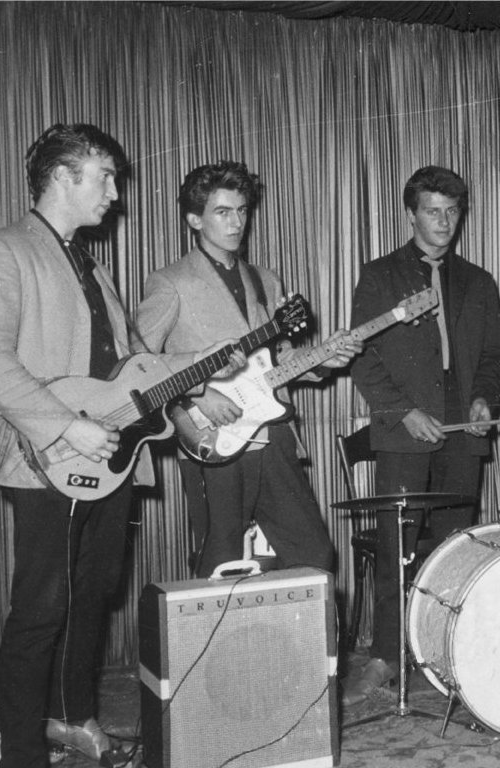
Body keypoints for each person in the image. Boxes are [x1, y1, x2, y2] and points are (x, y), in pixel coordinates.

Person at [0, 125, 242, 768]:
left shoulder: (93, 267)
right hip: (50, 459)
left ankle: (70, 714)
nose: (117, 194)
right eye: (105, 177)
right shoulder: (1, 250)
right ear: (62, 176)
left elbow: (136, 367)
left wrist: (206, 372)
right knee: (39, 609)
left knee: (92, 596)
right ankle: (20, 766)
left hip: (113, 462)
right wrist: (65, 423)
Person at [134, 161, 360, 578]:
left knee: (314, 554)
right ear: (194, 218)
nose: (237, 222)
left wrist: (323, 360)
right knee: (220, 560)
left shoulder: (265, 280)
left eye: (242, 211)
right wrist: (197, 394)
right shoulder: (171, 282)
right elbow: (138, 360)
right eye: (223, 212)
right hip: (211, 435)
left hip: (272, 434)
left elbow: (281, 358)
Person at [343, 165, 500, 706]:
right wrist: (401, 412)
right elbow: (363, 362)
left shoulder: (479, 281)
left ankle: (442, 653)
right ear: (411, 213)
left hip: (463, 434)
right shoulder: (378, 277)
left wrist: (485, 399)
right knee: (398, 549)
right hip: (403, 433)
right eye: (432, 211)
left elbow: (494, 358)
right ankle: (386, 658)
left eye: (452, 211)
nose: (443, 221)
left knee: (452, 550)